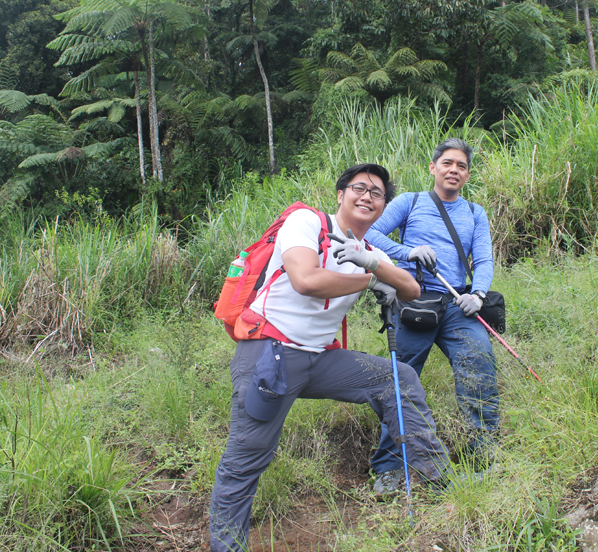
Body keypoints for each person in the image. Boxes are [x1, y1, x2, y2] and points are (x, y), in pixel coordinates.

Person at [209, 163, 452, 552]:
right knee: (245, 463)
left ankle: (442, 483)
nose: (367, 196)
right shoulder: (305, 222)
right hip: (270, 356)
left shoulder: (366, 250)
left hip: (319, 362)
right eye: (359, 188)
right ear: (340, 195)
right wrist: (371, 279)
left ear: (382, 206)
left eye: (377, 193)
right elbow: (306, 280)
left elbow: (409, 288)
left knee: (398, 377)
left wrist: (372, 262)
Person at [365, 138, 499, 496]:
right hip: (414, 302)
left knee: (479, 366)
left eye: (462, 166)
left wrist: (478, 294)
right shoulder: (410, 201)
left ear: (467, 174)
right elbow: (371, 234)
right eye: (448, 163)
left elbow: (484, 260)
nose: (454, 170)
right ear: (433, 168)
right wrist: (409, 251)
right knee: (400, 379)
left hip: (458, 305)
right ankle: (389, 466)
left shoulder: (475, 213)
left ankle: (484, 456)